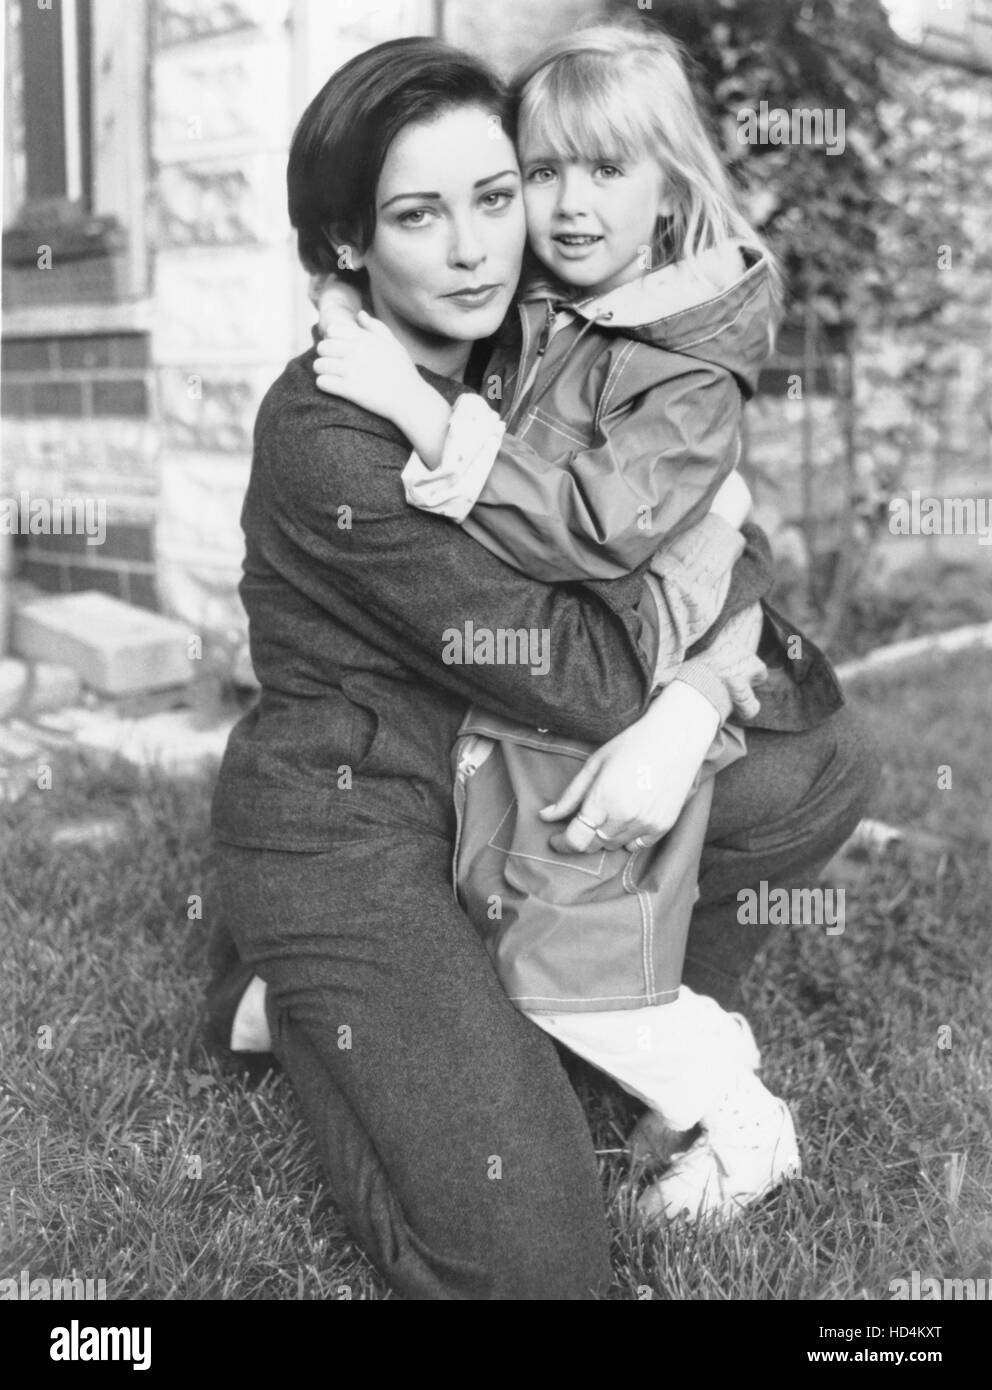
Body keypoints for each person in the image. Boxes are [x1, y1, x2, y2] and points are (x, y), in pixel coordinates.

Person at [206, 36, 877, 1301]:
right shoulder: (331, 434)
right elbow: (577, 672)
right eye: (417, 213)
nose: (474, 246)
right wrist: (666, 687)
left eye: (493, 196)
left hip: (508, 783)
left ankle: (571, 1002)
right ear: (350, 242)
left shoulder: (541, 336)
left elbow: (707, 537)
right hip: (361, 820)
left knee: (822, 760)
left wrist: (692, 691)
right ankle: (298, 1001)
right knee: (530, 1266)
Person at [308, 23, 798, 1224]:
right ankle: (664, 1039)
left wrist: (422, 424)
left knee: (559, 964)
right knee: (514, 921)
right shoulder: (554, 309)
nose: (566, 205)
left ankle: (738, 1115)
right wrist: (335, 285)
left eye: (606, 171)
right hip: (533, 704)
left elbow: (592, 525)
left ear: (671, 190)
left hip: (603, 686)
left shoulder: (680, 361)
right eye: (541, 172)